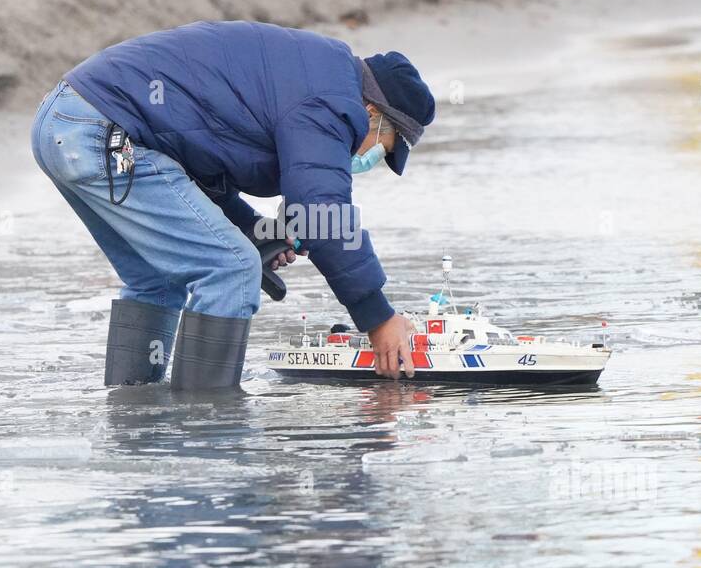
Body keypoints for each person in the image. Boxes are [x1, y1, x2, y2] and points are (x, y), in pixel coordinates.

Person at [29, 20, 436, 390]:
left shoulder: (312, 71)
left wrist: (251, 229)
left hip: (65, 121)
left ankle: (134, 412)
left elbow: (198, 160)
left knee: (157, 280)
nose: (372, 160)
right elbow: (321, 214)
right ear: (373, 113)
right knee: (231, 269)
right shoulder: (331, 100)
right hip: (103, 132)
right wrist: (379, 319)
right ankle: (209, 424)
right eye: (383, 149)